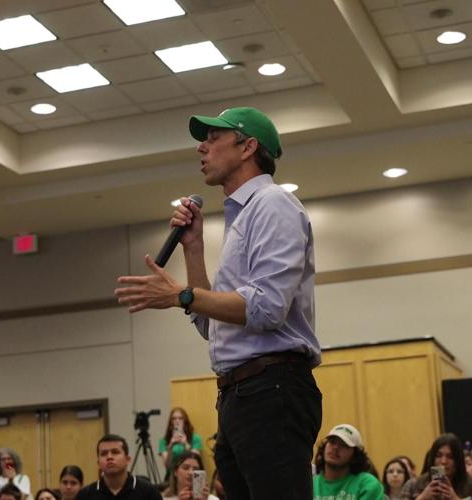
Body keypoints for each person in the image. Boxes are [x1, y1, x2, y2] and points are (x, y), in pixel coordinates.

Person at [115, 106, 322, 500]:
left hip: (271, 390)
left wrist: (181, 295)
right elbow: (212, 327)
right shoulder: (240, 220)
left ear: (248, 148)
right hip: (240, 394)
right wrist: (193, 251)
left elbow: (266, 309)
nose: (201, 148)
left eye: (213, 138)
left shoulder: (272, 204)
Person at [399, 434, 472, 500]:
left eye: (450, 457)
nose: (443, 461)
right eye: (438, 455)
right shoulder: (413, 485)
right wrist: (422, 498)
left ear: (458, 460)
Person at [75, 434, 162, 500]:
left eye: (115, 452)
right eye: (104, 454)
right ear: (98, 463)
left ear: (127, 459)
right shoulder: (85, 495)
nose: (109, 457)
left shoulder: (149, 492)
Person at [312, 424, 382, 500]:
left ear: (355, 455)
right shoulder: (309, 484)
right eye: (332, 442)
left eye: (344, 445)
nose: (335, 447)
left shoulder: (367, 484)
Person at [159, 408, 203, 480]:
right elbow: (167, 465)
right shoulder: (164, 441)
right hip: (172, 477)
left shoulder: (195, 438)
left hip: (192, 475)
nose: (177, 421)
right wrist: (170, 446)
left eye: (180, 418)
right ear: (170, 422)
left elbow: (196, 459)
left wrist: (185, 444)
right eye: (174, 419)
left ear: (185, 421)